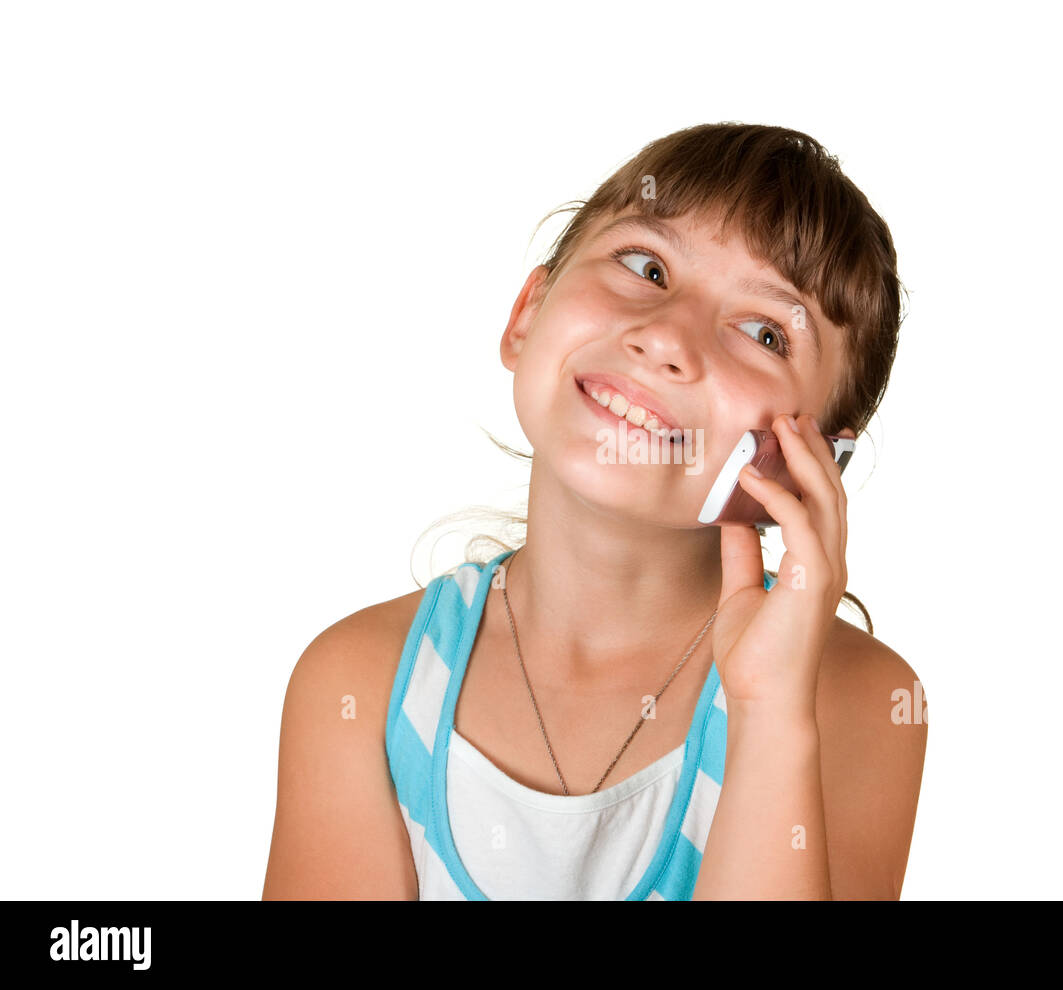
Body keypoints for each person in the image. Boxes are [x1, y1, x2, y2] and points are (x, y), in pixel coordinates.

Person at [262, 122, 927, 901]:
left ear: (817, 464)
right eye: (647, 266)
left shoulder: (855, 703)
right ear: (528, 314)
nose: (667, 337)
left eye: (765, 332)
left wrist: (770, 713)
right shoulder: (360, 685)